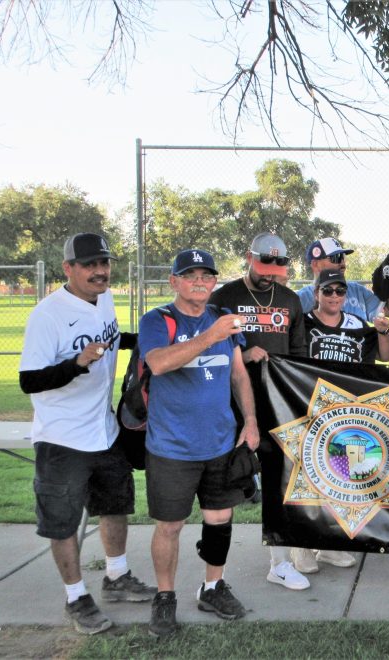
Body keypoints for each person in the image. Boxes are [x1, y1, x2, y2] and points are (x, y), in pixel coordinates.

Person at [18, 232, 156, 635]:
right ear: (69, 268)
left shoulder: (105, 298)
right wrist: (76, 365)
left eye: (104, 263)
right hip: (62, 437)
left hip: (104, 429)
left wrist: (143, 343)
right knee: (62, 522)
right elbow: (29, 380)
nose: (99, 271)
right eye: (89, 265)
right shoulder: (47, 315)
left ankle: (117, 576)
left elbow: (111, 341)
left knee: (115, 505)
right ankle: (76, 596)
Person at [141, 249, 256, 638]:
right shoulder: (158, 320)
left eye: (207, 276)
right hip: (172, 446)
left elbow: (238, 375)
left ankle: (212, 587)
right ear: (173, 281)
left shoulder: (223, 319)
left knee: (219, 520)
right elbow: (158, 363)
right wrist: (210, 336)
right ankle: (165, 597)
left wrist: (250, 421)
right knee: (170, 525)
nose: (200, 282)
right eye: (190, 276)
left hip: (220, 442)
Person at [207, 233, 326, 587]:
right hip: (231, 407)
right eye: (263, 266)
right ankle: (214, 575)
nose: (269, 274)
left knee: (278, 482)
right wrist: (241, 356)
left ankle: (280, 563)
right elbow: (206, 350)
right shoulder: (225, 297)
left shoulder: (289, 300)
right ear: (249, 257)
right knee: (221, 489)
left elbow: (300, 355)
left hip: (277, 406)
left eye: (276, 268)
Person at [297, 237, 389, 319]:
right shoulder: (302, 298)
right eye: (335, 258)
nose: (342, 264)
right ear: (315, 264)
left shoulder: (357, 291)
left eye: (343, 257)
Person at [304, 270, 389, 364]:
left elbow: (385, 357)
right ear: (316, 294)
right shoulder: (302, 323)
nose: (334, 295)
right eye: (328, 291)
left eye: (340, 291)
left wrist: (383, 331)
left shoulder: (357, 324)